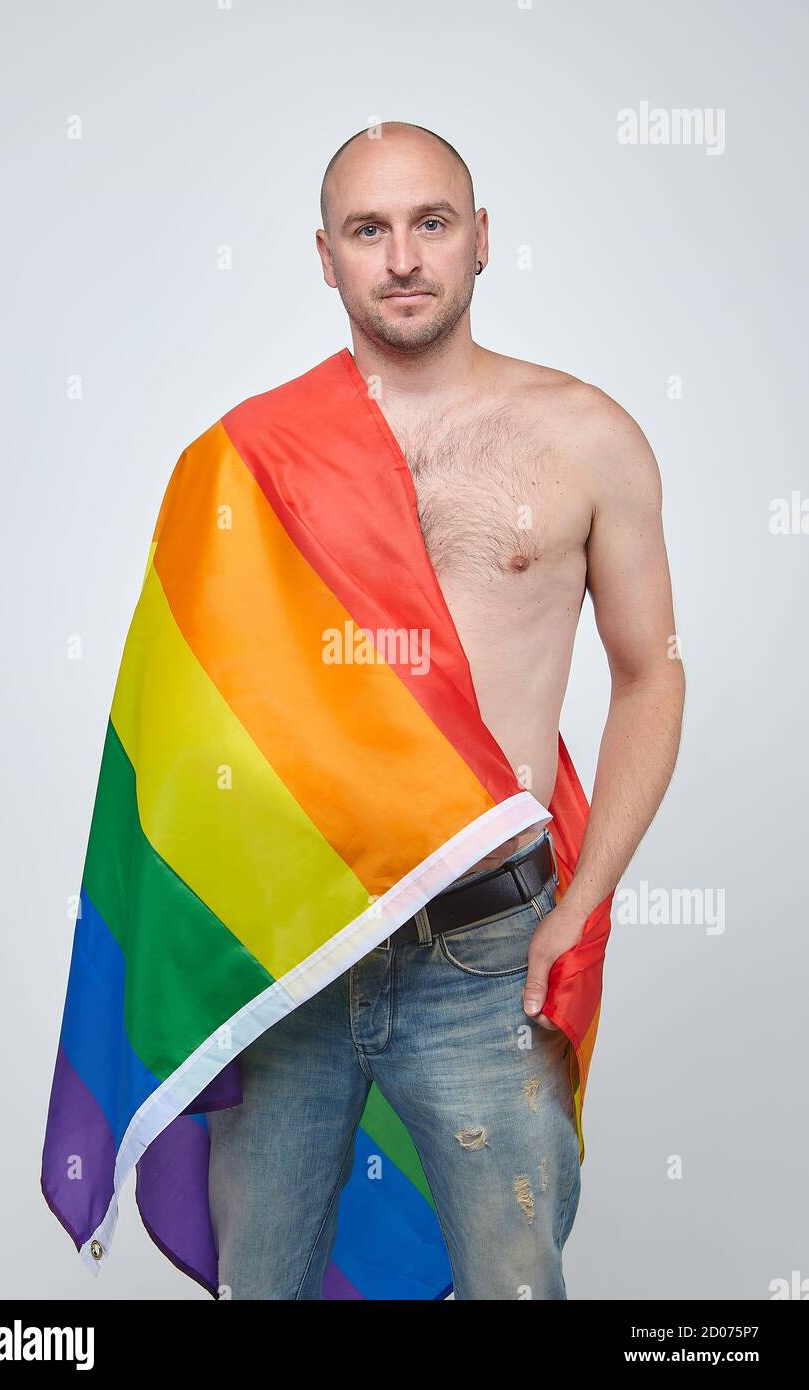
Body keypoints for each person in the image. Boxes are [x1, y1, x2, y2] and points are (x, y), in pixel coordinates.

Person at [206, 121, 686, 1299]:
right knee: (255, 1286)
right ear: (325, 256)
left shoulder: (586, 436)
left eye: (430, 223)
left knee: (512, 1285)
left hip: (486, 949)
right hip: (293, 946)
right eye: (369, 230)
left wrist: (583, 899)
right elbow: (196, 713)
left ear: (480, 241)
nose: (403, 256)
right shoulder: (247, 457)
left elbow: (650, 672)